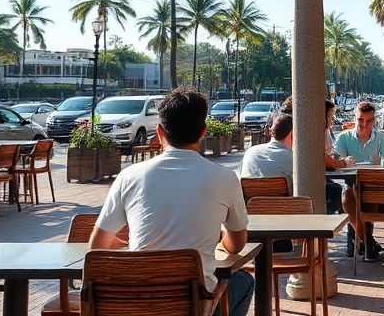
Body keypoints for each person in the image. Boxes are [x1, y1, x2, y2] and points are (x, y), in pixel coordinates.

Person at [89, 87, 253, 316]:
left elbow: (96, 247)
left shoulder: (129, 176)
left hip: (136, 305)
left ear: (159, 132)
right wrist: (221, 238)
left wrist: (124, 244)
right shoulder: (226, 178)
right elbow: (236, 245)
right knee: (245, 281)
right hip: (194, 305)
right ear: (203, 131)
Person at [335, 101, 384, 261]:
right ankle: (368, 242)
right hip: (351, 185)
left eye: (368, 121)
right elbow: (338, 163)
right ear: (355, 119)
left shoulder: (383, 139)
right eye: (360, 120)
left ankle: (364, 243)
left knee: (363, 196)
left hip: (375, 186)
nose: (364, 124)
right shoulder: (343, 138)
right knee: (347, 195)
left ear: (374, 121)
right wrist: (344, 161)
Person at [240, 111, 294, 186]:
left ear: (270, 132)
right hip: (281, 197)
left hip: (253, 197)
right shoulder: (292, 159)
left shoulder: (250, 153)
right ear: (292, 134)